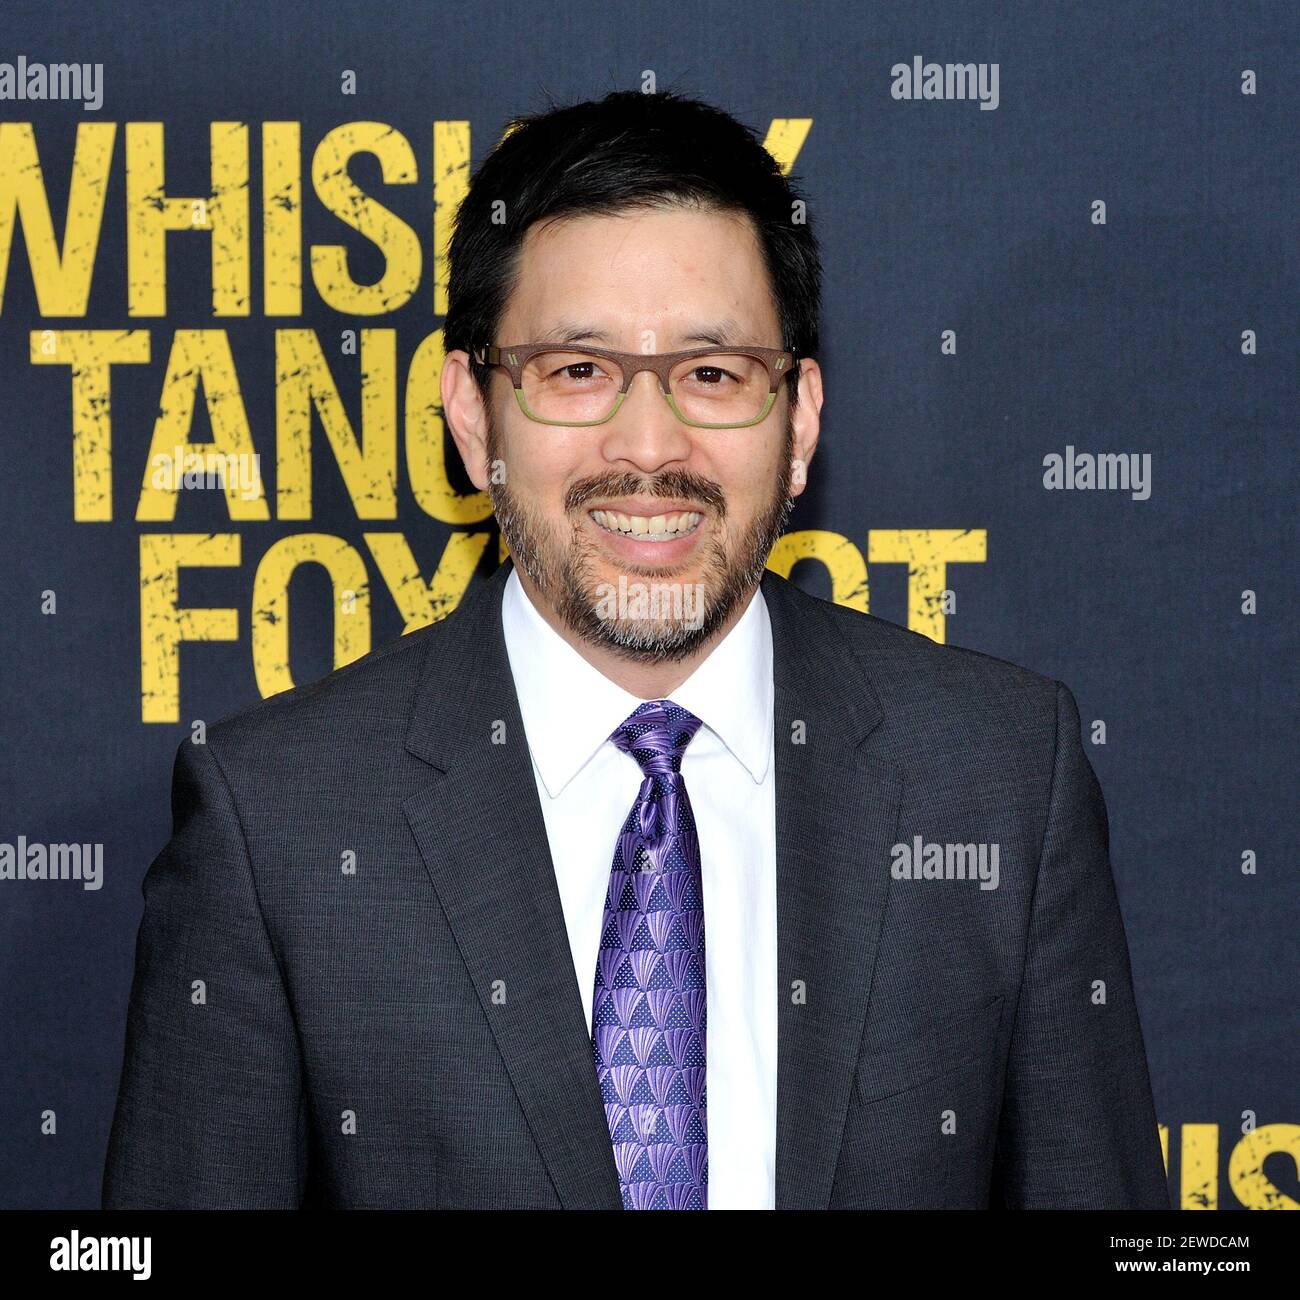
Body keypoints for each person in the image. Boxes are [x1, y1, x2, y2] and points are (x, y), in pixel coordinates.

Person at [103, 89, 1169, 1210]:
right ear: (473, 418)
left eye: (712, 374)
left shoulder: (999, 778)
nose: (649, 447)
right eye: (577, 371)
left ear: (798, 420)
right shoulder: (276, 819)